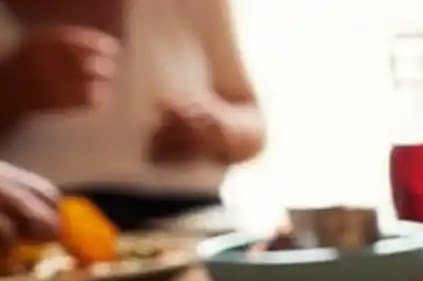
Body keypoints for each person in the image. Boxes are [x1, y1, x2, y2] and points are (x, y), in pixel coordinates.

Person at [0, 0, 264, 230]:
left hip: (192, 230)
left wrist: (218, 129)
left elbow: (252, 120)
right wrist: (10, 93)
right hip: (37, 238)